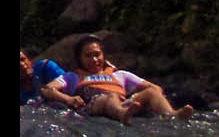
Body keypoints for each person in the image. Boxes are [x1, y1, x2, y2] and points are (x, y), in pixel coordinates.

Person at [39, 35, 193, 122]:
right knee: (110, 96)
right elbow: (47, 89)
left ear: (103, 55)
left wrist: (138, 97)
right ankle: (122, 114)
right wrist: (68, 99)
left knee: (152, 92)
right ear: (79, 59)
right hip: (92, 106)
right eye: (88, 56)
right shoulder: (72, 77)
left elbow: (155, 88)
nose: (94, 60)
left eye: (97, 55)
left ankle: (172, 115)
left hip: (123, 103)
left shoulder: (120, 75)